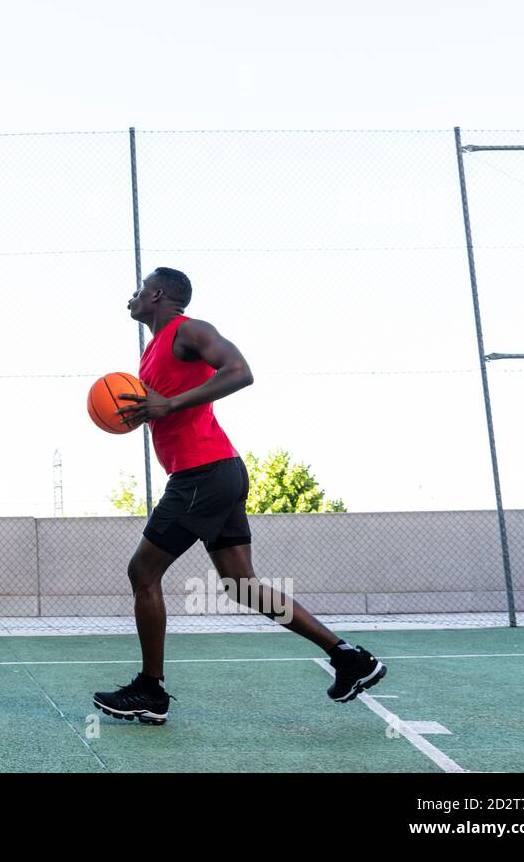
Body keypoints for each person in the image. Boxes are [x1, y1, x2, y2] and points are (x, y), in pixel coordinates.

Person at [91, 267, 386, 726]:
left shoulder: (189, 330)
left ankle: (150, 690)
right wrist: (150, 410)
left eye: (141, 287)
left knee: (142, 570)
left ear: (159, 294)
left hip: (202, 473)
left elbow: (240, 372)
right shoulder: (151, 353)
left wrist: (169, 404)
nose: (132, 293)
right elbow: (166, 404)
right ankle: (349, 657)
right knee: (242, 585)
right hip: (216, 471)